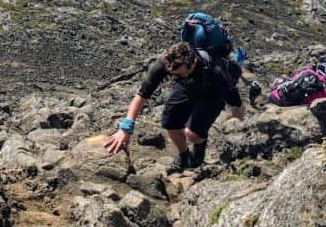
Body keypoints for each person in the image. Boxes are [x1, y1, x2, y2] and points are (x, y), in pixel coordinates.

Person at [104, 41, 245, 171]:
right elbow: (142, 94)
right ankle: (184, 157)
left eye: (177, 75)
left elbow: (237, 105)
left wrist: (239, 133)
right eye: (171, 74)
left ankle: (197, 158)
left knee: (193, 134)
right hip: (187, 87)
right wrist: (126, 128)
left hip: (213, 94)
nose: (172, 78)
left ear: (193, 63)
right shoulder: (165, 62)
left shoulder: (215, 72)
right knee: (169, 121)